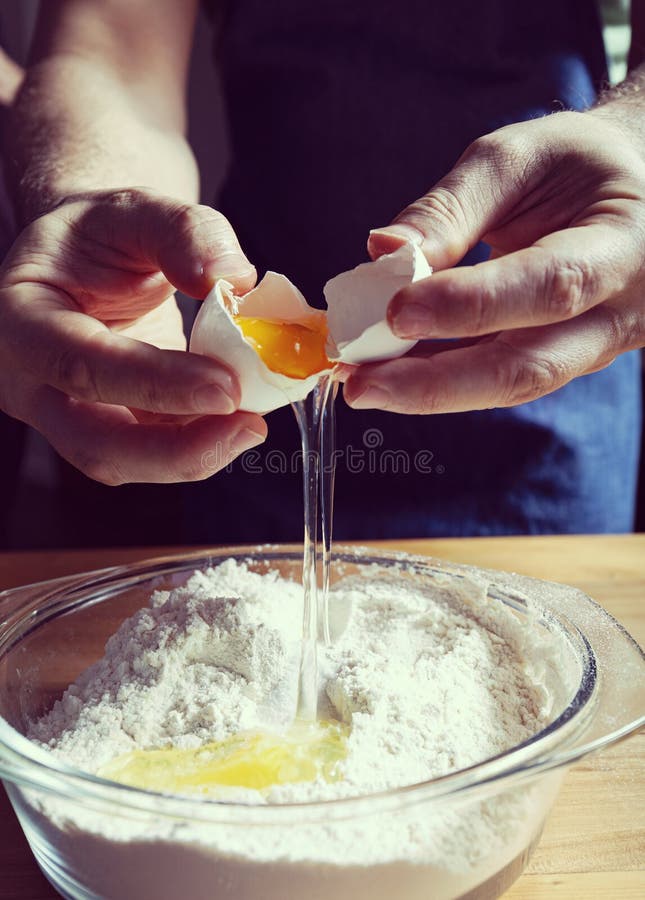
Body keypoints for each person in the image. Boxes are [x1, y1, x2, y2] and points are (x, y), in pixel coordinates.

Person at [0, 0, 643, 543]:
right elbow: (111, 44)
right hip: (244, 421)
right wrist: (93, 203)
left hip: (550, 358)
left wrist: (635, 134)